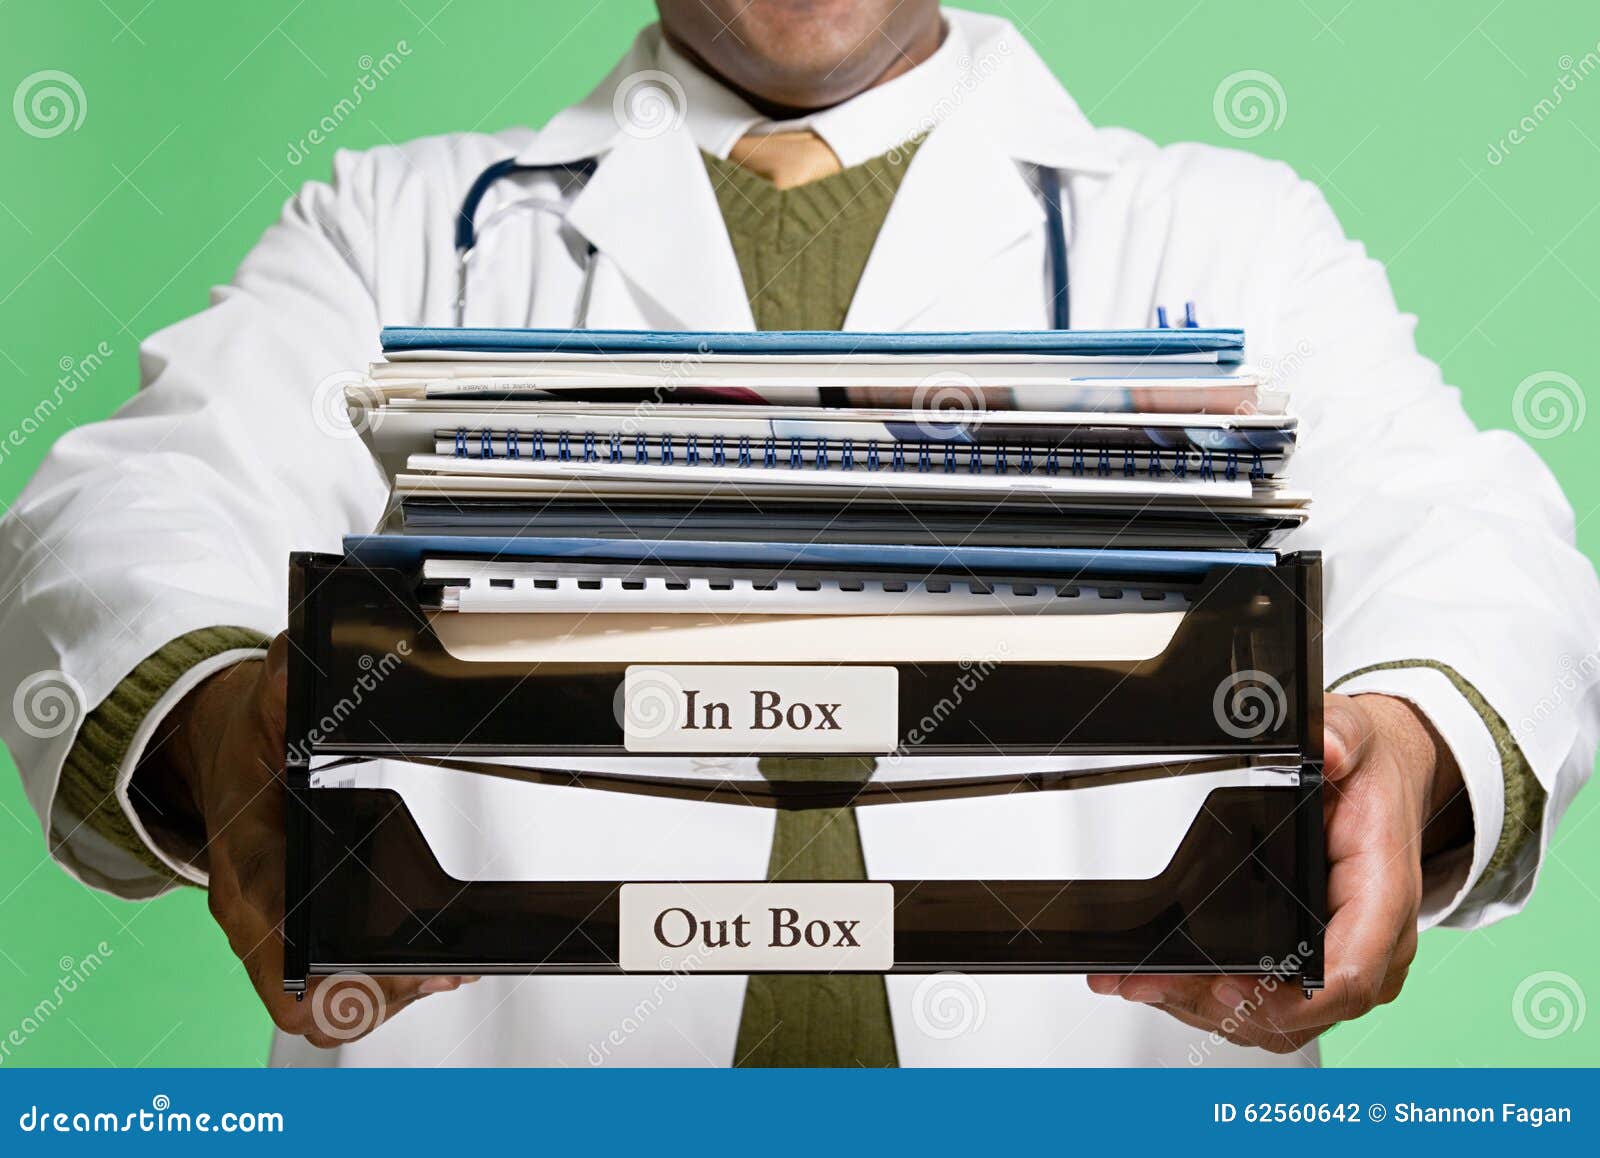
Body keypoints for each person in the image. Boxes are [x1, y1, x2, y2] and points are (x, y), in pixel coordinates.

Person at [2, 2, 1596, 1067]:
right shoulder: (397, 230)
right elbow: (125, 510)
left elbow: (1473, 533)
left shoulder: (1230, 236)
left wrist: (1415, 742)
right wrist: (214, 724)